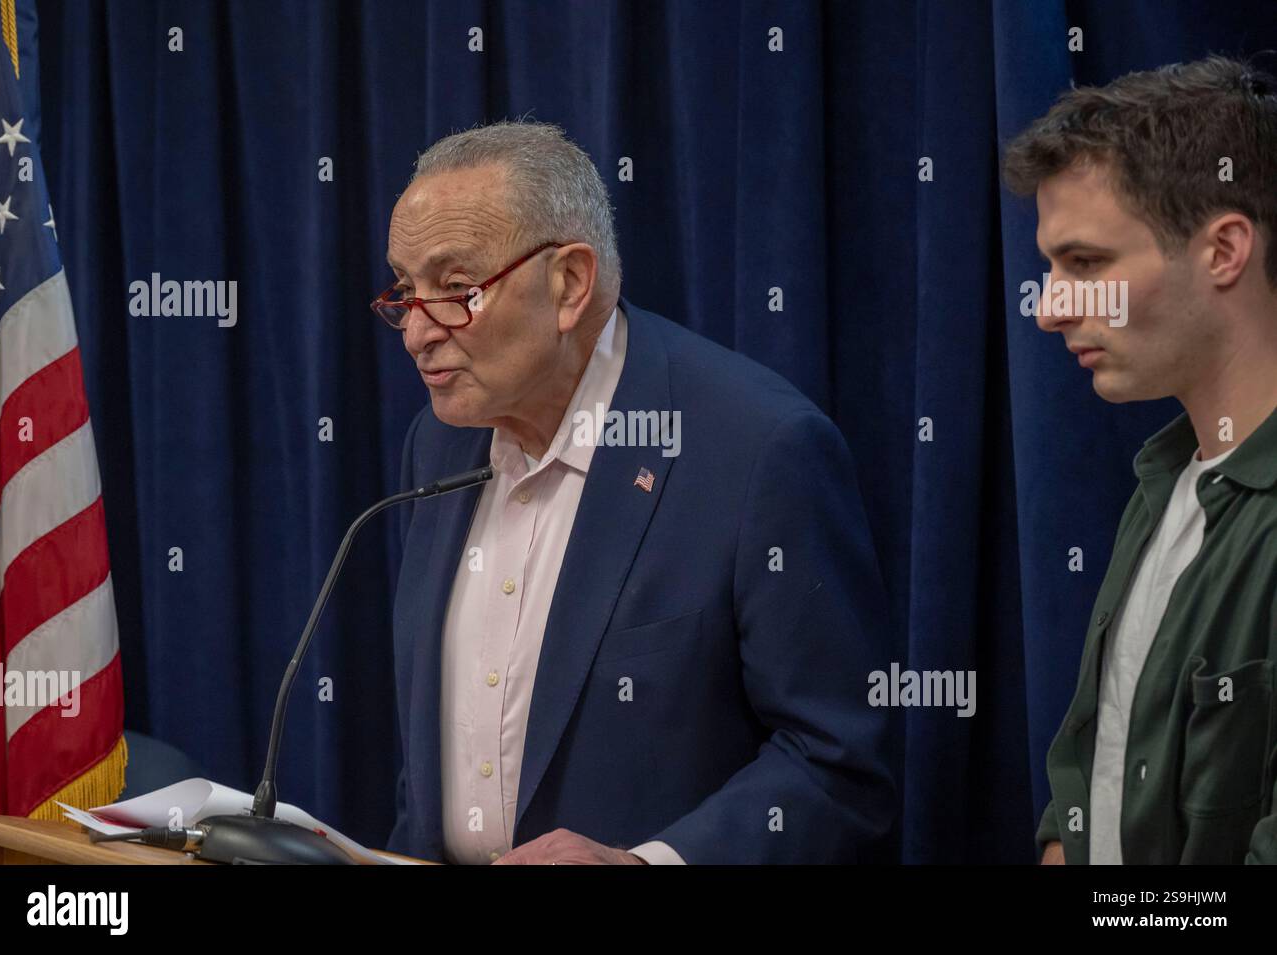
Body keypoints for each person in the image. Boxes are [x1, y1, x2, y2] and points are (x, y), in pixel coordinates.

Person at [378, 120, 894, 864]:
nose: (416, 333)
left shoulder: (757, 449)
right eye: (405, 290)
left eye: (457, 290)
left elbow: (837, 764)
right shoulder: (437, 441)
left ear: (569, 284)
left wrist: (647, 864)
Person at [1004, 56, 1277, 864]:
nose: (1050, 309)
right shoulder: (1164, 488)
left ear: (1224, 249)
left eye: (1086, 264)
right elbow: (1087, 793)